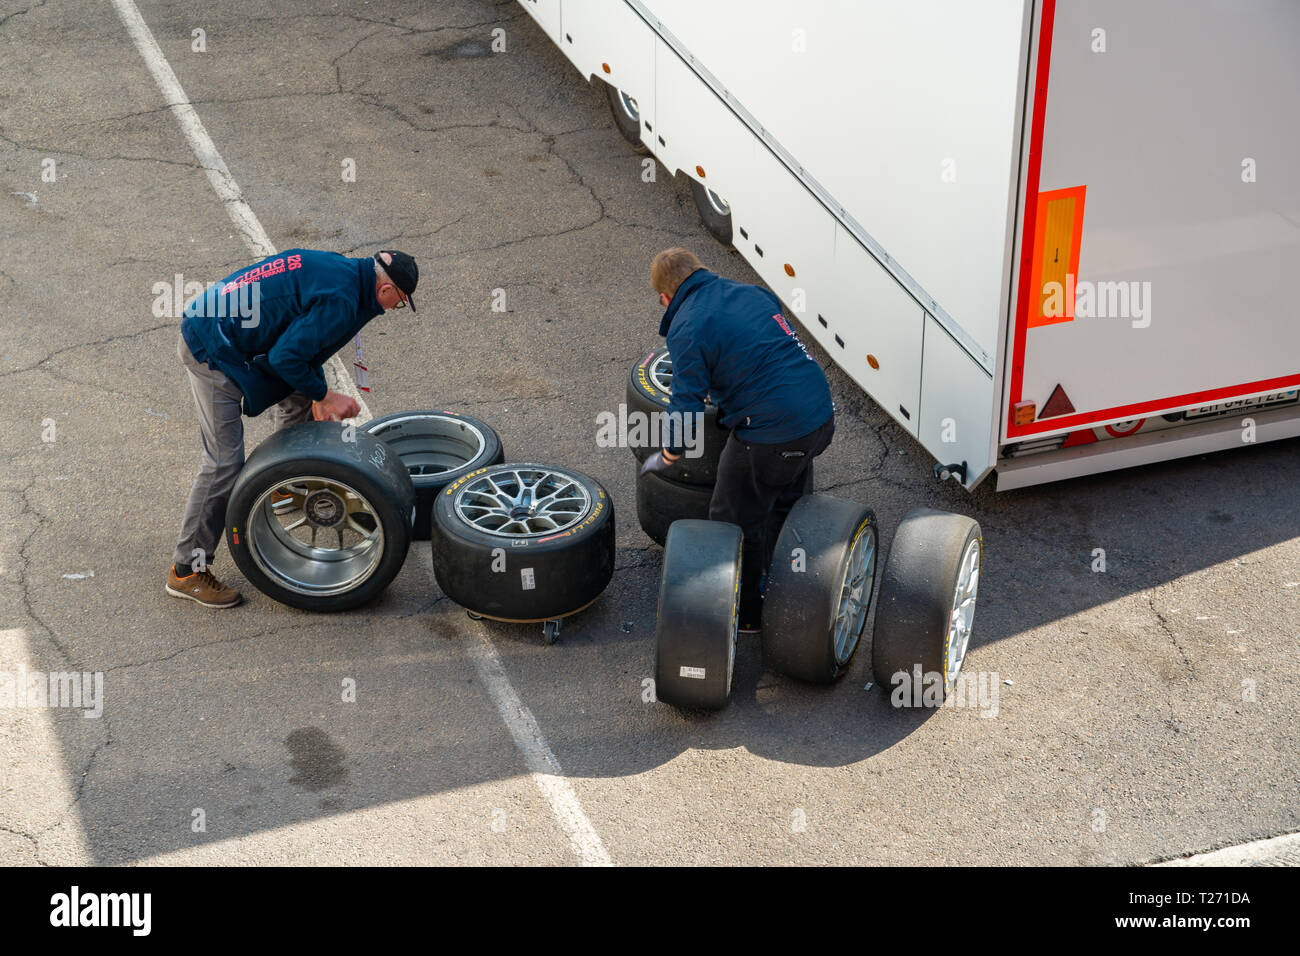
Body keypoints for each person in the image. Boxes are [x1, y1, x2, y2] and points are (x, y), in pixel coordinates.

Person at [167, 248, 419, 608]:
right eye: (398, 304)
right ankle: (186, 570)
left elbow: (297, 342)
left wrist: (315, 392)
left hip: (229, 324)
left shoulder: (344, 271)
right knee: (224, 462)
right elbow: (287, 356)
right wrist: (326, 395)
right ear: (386, 291)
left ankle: (281, 485)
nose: (391, 309)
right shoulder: (342, 300)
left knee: (301, 392)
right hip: (211, 346)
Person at [641, 248, 834, 632]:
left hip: (770, 437)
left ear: (665, 297)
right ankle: (790, 593)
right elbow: (760, 347)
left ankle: (746, 616)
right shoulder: (752, 292)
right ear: (701, 270)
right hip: (819, 417)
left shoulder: (686, 328)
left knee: (731, 523)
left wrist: (669, 453)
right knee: (784, 505)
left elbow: (686, 402)